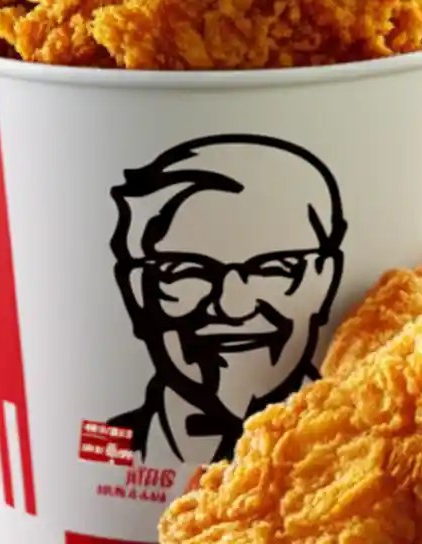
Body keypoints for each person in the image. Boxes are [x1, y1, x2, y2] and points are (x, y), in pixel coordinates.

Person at [107, 134, 347, 465]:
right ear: (136, 291)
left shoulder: (385, 453)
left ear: (326, 279)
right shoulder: (96, 452)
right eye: (185, 271)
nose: (234, 307)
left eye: (274, 268)